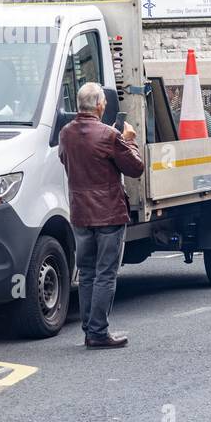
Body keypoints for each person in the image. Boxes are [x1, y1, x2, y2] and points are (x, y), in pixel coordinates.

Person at [58, 82, 145, 349]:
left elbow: (65, 160)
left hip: (80, 212)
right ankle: (97, 331)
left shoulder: (66, 133)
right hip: (109, 214)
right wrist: (129, 141)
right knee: (105, 273)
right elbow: (135, 168)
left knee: (86, 273)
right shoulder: (109, 135)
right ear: (98, 105)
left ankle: (89, 327)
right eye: (104, 102)